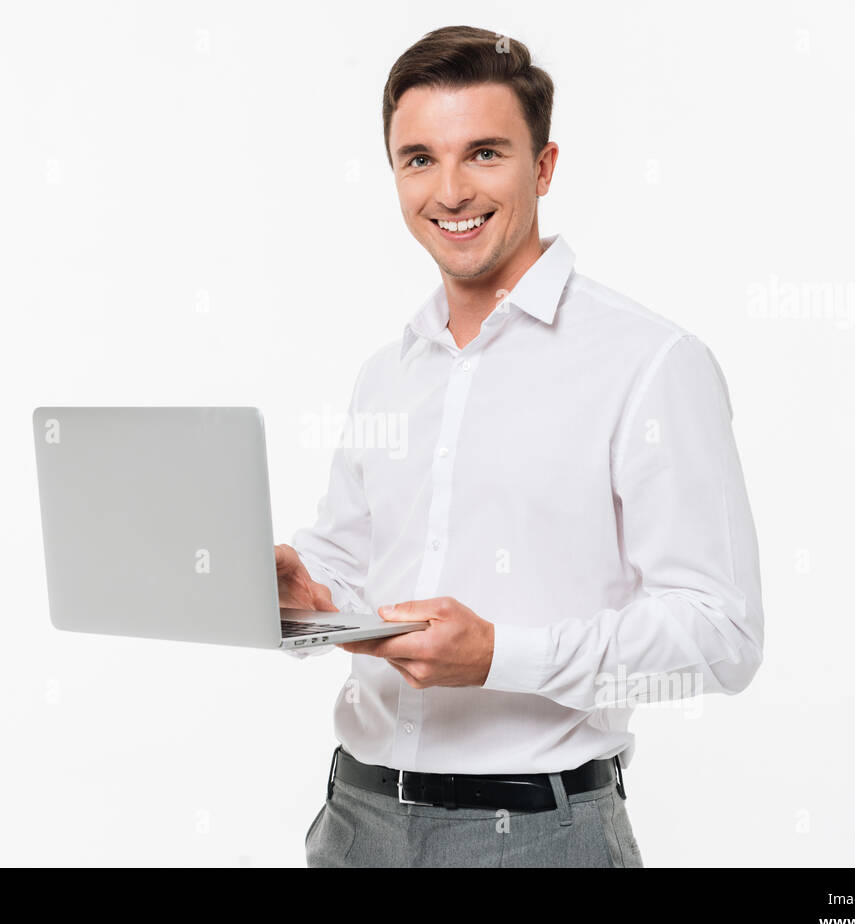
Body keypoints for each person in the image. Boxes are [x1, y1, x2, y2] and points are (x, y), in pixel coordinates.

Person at [276, 24, 764, 868]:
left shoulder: (649, 363)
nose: (451, 190)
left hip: (538, 836)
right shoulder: (386, 372)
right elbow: (361, 562)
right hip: (353, 822)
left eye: (486, 154)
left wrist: (503, 656)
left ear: (543, 167)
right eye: (419, 159)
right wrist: (306, 593)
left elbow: (721, 638)